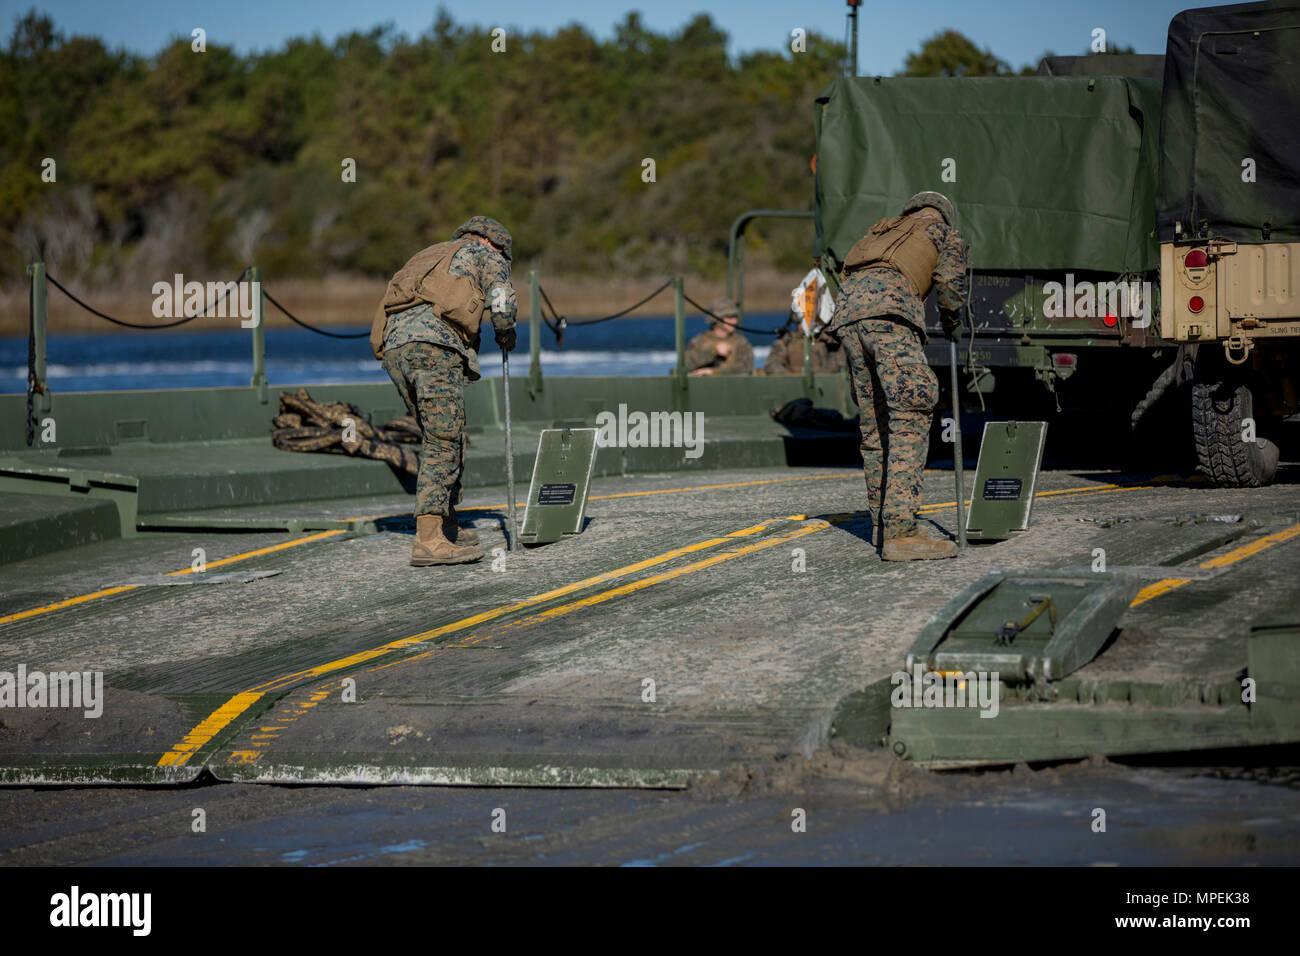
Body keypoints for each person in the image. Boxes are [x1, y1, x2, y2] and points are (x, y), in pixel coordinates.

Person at [826, 191, 969, 561]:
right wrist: (953, 322)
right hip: (891, 316)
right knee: (911, 411)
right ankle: (902, 532)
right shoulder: (943, 233)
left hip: (848, 318)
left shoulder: (878, 232)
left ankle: (882, 524)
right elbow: (950, 286)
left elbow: (844, 275)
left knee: (876, 427)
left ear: (909, 211)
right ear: (942, 215)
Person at [370, 216, 517, 566]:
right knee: (444, 440)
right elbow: (500, 301)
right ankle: (429, 539)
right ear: (490, 243)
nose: (501, 256)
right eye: (502, 250)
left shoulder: (428, 254)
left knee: (440, 435)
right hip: (434, 347)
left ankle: (446, 523)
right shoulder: (485, 256)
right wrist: (505, 333)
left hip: (396, 350)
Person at [763, 267, 847, 376]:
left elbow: (838, 363)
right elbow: (772, 364)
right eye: (799, 323)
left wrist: (818, 378)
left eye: (805, 321)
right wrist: (791, 378)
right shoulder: (787, 341)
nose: (801, 326)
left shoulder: (827, 340)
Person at [685, 298, 754, 376]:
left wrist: (714, 372)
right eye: (730, 317)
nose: (735, 321)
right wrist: (713, 351)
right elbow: (686, 365)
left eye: (735, 317)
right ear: (717, 319)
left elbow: (746, 368)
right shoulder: (699, 341)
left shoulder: (741, 342)